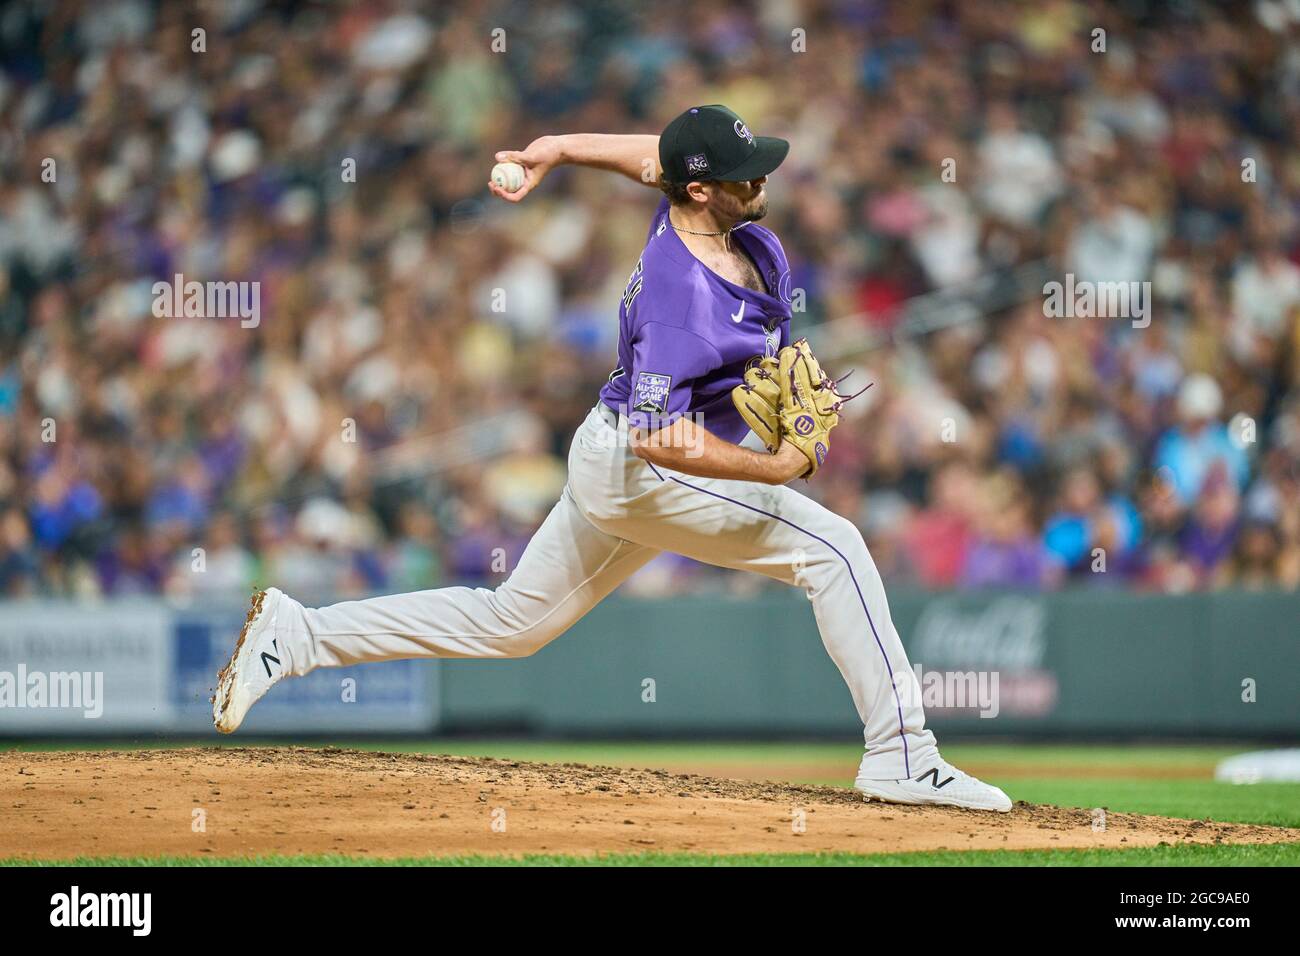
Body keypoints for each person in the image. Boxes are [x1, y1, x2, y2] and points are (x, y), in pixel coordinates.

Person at [212, 105, 1012, 812]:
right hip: (643, 465)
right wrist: (773, 468)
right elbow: (659, 435)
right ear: (701, 191)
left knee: (513, 623)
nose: (761, 175)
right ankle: (903, 754)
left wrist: (555, 148)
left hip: (613, 456)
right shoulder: (681, 297)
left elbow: (647, 157)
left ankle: (301, 634)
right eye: (743, 172)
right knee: (835, 549)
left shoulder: (713, 219)